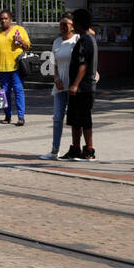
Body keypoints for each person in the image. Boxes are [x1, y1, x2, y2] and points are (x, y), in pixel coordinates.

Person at [62, 8, 99, 161]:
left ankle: (89, 150)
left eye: (74, 22)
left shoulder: (85, 40)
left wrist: (75, 85)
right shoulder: (86, 38)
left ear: (79, 23)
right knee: (74, 119)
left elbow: (83, 64)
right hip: (81, 87)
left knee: (84, 119)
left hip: (83, 87)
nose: (73, 25)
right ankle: (76, 148)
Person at [41, 14, 78, 160]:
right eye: (61, 24)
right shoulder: (56, 42)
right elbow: (53, 64)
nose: (63, 27)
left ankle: (77, 149)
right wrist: (55, 78)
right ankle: (54, 150)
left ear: (73, 26)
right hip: (60, 87)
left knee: (75, 120)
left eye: (66, 24)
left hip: (74, 87)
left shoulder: (77, 40)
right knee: (57, 118)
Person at [0, 10, 32, 126]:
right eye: (1, 19)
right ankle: (7, 115)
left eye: (5, 18)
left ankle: (21, 116)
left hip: (16, 68)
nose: (3, 21)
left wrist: (21, 41)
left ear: (10, 19)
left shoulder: (19, 29)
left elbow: (28, 46)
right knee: (5, 93)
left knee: (18, 91)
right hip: (2, 68)